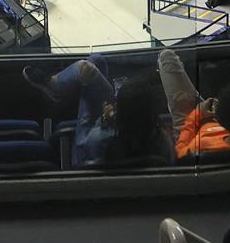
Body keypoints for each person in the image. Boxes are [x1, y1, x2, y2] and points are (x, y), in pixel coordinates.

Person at [23, 56, 174, 168]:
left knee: (87, 68)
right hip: (122, 153)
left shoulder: (102, 137)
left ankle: (55, 87)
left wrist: (103, 119)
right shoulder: (160, 140)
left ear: (120, 112)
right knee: (97, 61)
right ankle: (59, 84)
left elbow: (91, 145)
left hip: (85, 159)